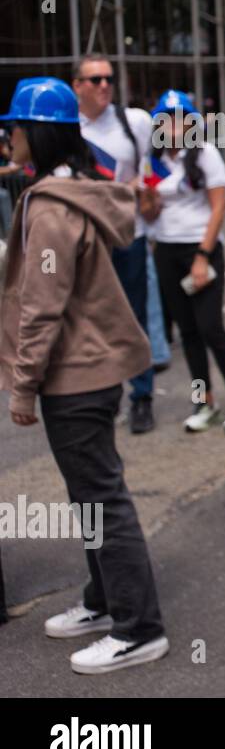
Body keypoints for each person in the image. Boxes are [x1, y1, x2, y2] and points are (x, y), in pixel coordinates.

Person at [0, 77, 169, 673]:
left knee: (101, 497)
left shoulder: (49, 207)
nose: (8, 138)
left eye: (13, 128)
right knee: (92, 494)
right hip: (89, 371)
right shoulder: (78, 192)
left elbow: (41, 305)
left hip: (73, 375)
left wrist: (22, 385)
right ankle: (104, 602)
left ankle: (138, 627)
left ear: (36, 133)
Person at [142, 90, 225, 434]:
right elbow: (149, 211)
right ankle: (204, 402)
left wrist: (202, 257)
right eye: (167, 118)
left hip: (200, 250)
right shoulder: (155, 160)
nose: (174, 125)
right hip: (166, 250)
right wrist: (145, 194)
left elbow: (219, 207)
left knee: (210, 328)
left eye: (181, 118)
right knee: (188, 332)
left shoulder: (204, 154)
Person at [72, 52, 158, 434]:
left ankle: (142, 398)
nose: (104, 85)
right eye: (95, 79)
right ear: (78, 86)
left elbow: (152, 167)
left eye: (108, 78)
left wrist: (145, 192)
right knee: (92, 321)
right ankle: (104, 397)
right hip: (86, 242)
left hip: (129, 237)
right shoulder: (67, 127)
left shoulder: (134, 121)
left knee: (134, 317)